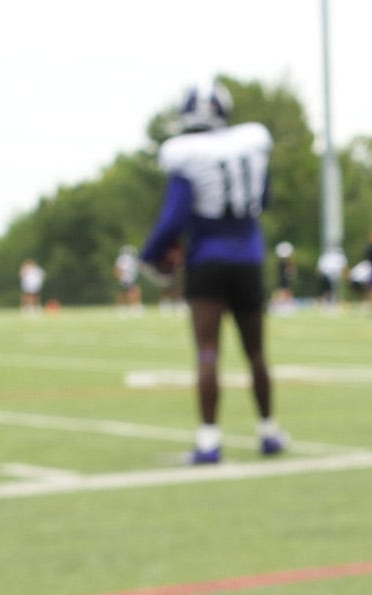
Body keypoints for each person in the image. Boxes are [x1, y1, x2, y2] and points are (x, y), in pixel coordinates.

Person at [140, 77, 288, 463]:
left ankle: (209, 440)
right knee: (256, 352)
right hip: (249, 256)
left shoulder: (183, 152)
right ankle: (269, 431)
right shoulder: (252, 142)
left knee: (208, 352)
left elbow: (175, 215)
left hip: (207, 258)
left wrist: (152, 254)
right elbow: (264, 199)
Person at [114, 245, 143, 314]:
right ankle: (133, 307)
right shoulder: (124, 259)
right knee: (133, 291)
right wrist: (120, 277)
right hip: (126, 279)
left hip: (126, 279)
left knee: (126, 293)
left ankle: (123, 307)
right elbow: (118, 269)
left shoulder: (123, 259)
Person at [272, 240, 297, 308]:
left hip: (285, 277)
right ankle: (277, 303)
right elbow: (290, 269)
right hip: (283, 277)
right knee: (283, 290)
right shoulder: (283, 262)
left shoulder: (283, 262)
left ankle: (284, 303)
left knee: (284, 289)